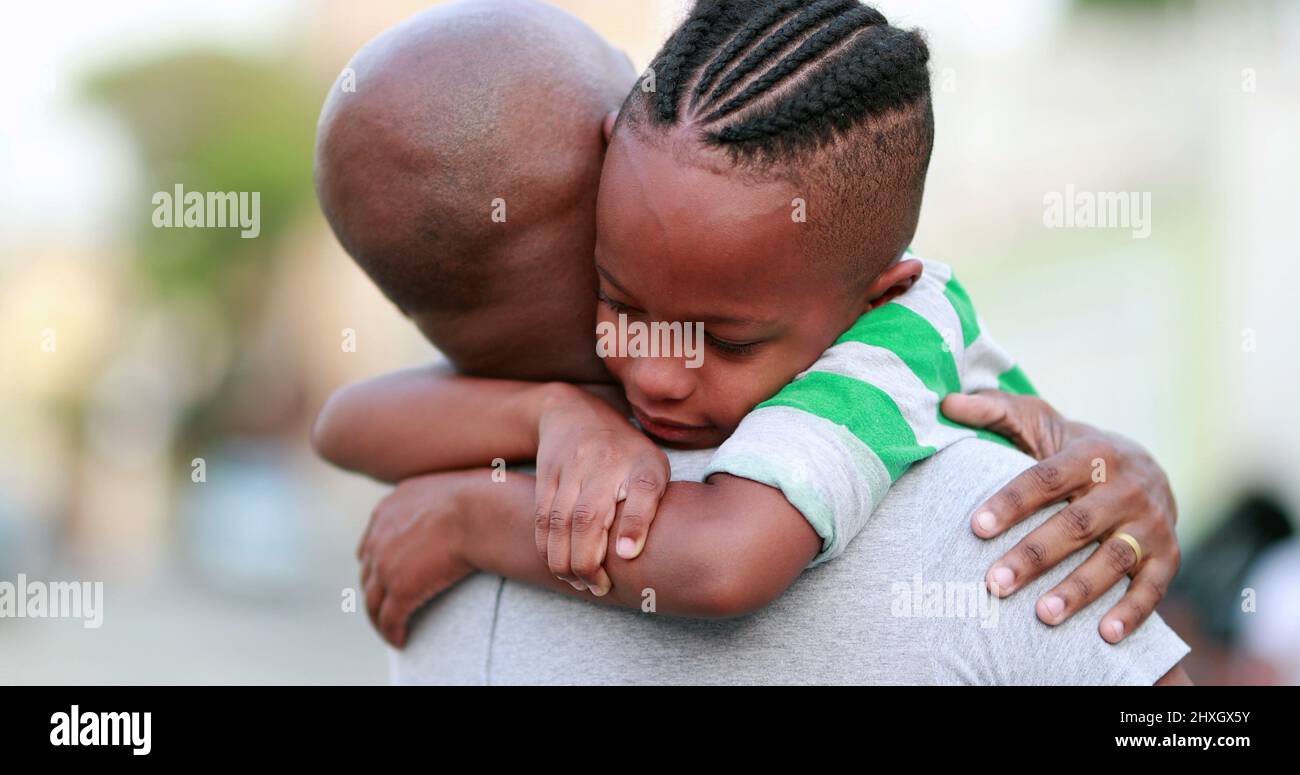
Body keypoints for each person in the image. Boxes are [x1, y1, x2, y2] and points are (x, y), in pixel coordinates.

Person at [313, 0, 1187, 683]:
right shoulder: (708, 273)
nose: (656, 378)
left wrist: (470, 519)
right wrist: (558, 412)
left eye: (722, 344)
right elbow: (344, 423)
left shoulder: (897, 339)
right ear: (616, 155)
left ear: (871, 299)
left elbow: (725, 561)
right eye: (620, 307)